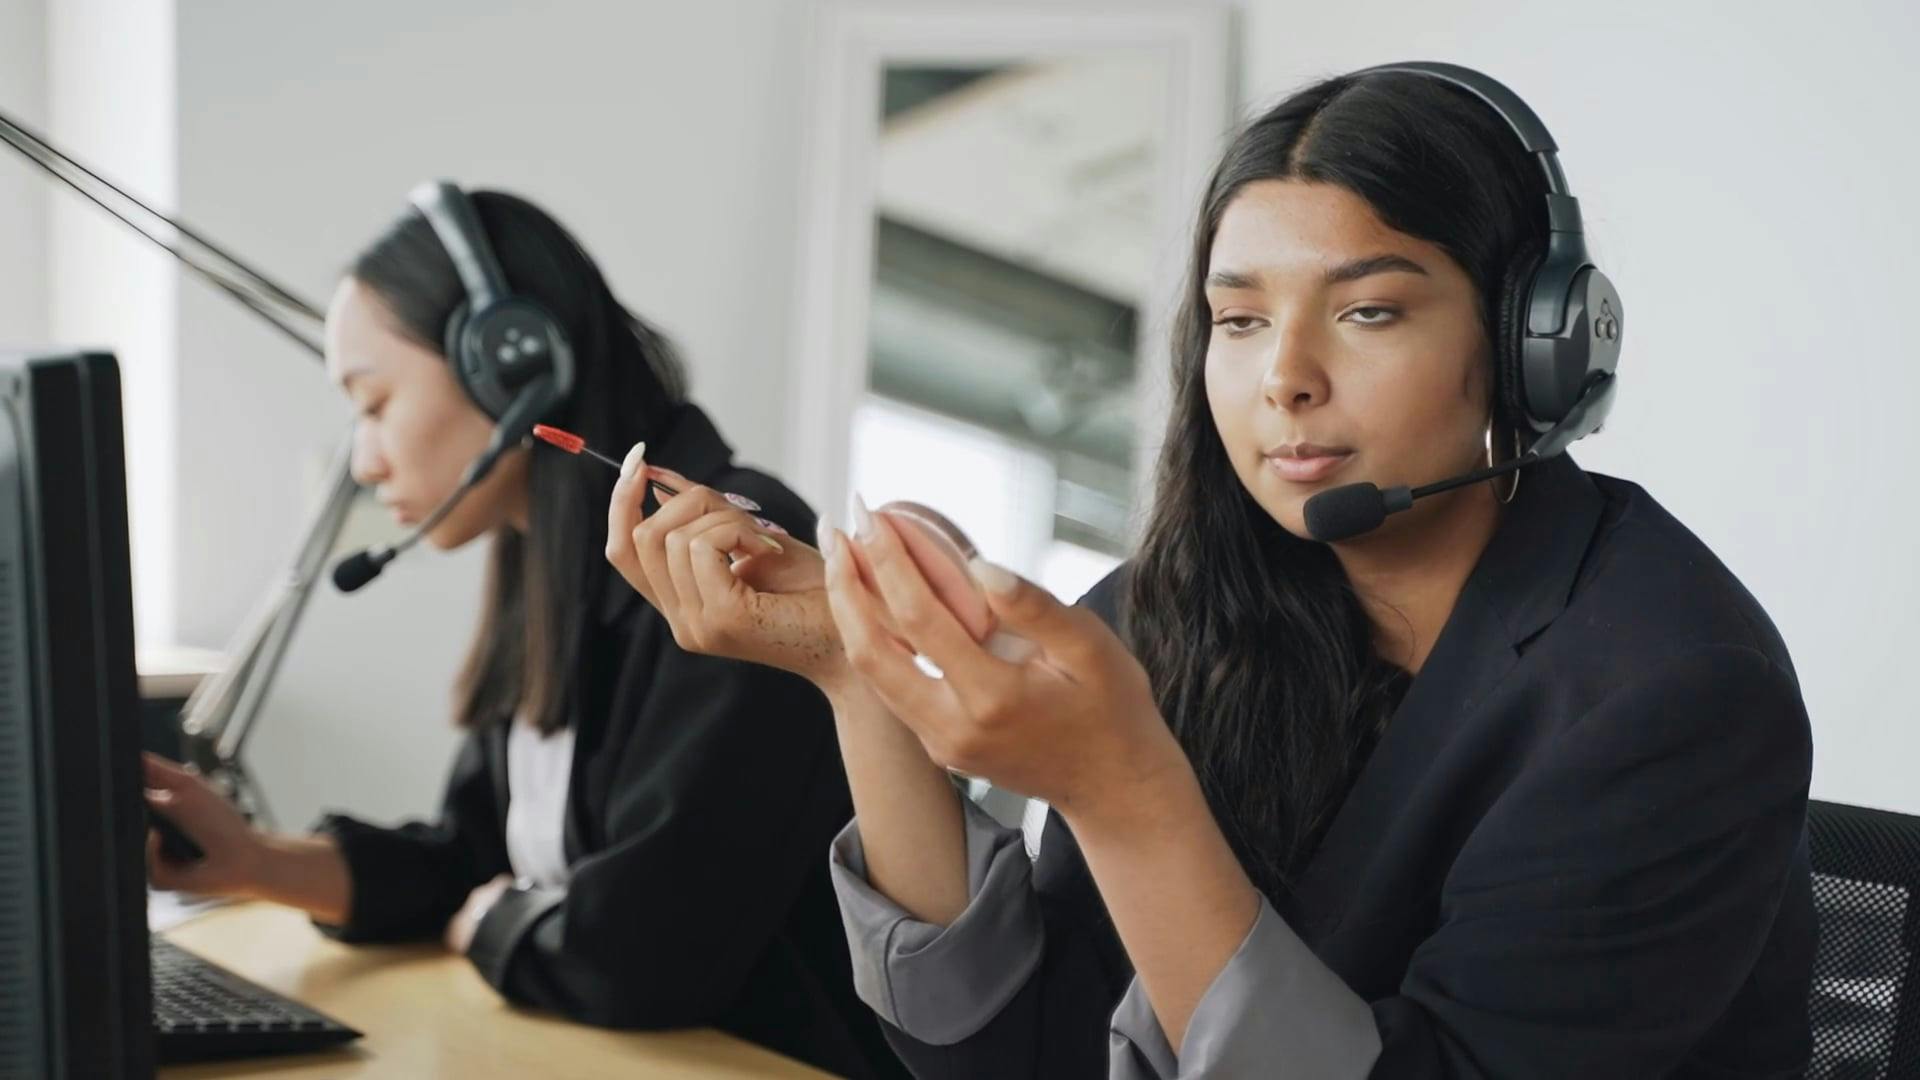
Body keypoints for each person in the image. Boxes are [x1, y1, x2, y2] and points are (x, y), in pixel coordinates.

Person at [605, 67, 1815, 1078]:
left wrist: (1124, 790)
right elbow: (1014, 1050)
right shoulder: (1177, 606)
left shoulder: (1675, 694)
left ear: (1528, 347)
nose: (1284, 378)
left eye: (1369, 312)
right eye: (1240, 322)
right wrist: (858, 674)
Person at [144, 187, 904, 1079]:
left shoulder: (727, 549)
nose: (364, 459)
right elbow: (468, 861)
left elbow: (645, 955)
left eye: (374, 403)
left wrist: (495, 923)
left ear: (512, 369)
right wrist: (255, 862)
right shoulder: (542, 562)